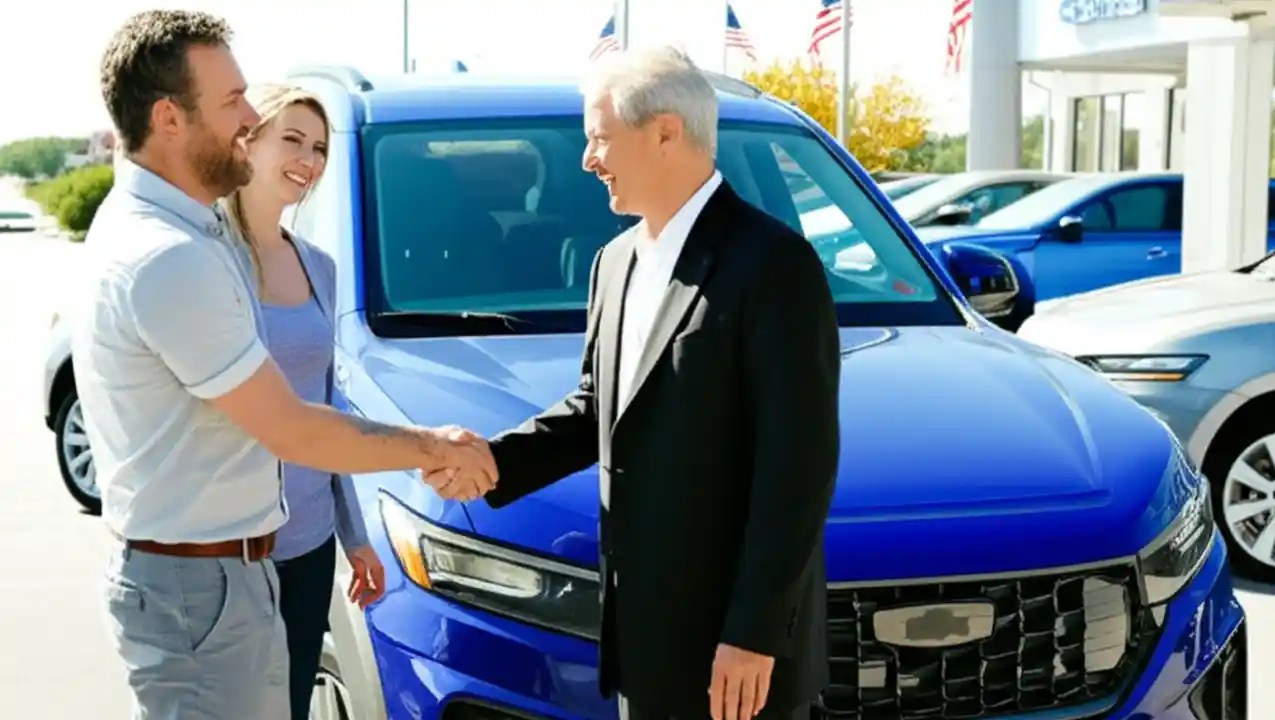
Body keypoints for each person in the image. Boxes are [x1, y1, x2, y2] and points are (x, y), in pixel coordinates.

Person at [76, 11, 494, 719]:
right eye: (233, 100)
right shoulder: (171, 256)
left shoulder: (183, 230)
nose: (249, 115)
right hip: (199, 591)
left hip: (219, 578)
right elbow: (292, 429)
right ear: (169, 118)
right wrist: (432, 448)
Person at [430, 46, 840, 720]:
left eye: (598, 139)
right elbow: (601, 411)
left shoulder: (773, 265)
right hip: (646, 644)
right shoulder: (614, 263)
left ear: (665, 133)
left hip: (735, 658)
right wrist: (493, 464)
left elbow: (798, 468)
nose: (588, 160)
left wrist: (752, 633)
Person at [216, 82, 383, 719]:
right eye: (292, 139)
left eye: (318, 148)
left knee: (288, 706)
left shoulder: (319, 266)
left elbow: (326, 402)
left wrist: (355, 535)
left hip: (309, 547)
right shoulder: (209, 260)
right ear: (248, 140)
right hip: (230, 556)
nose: (308, 160)